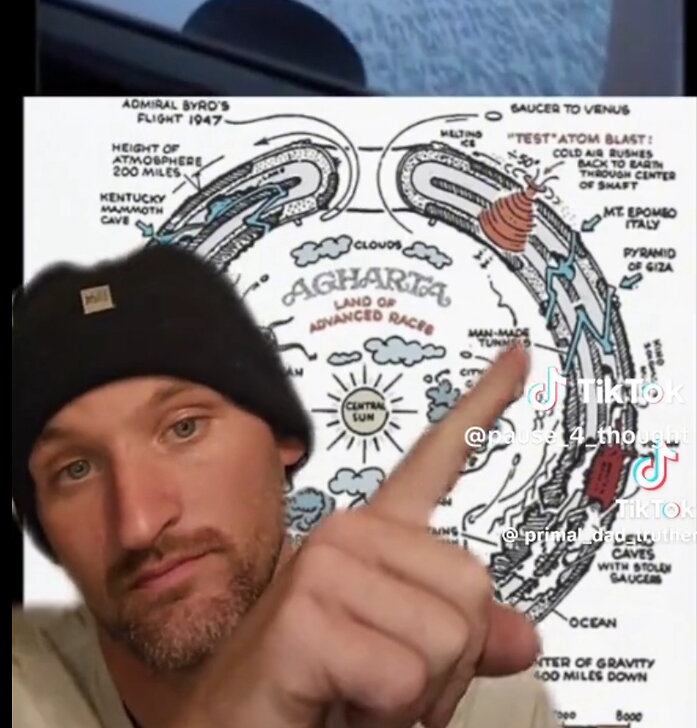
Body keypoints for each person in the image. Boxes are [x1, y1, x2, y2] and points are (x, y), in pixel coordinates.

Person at [12, 242, 559, 727]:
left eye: (184, 428)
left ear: (282, 439)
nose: (137, 523)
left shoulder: (482, 704)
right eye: (76, 470)